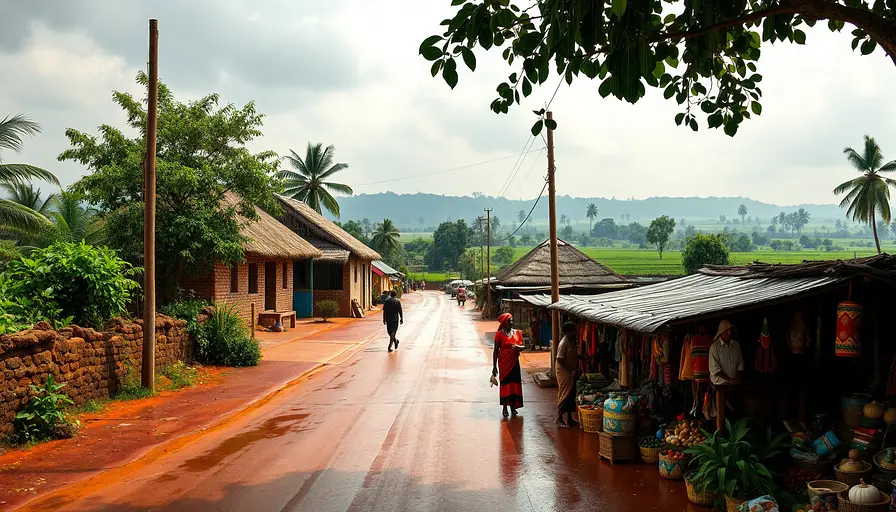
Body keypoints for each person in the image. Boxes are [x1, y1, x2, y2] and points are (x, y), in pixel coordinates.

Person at [492, 313, 525, 418]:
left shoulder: (517, 333)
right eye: (509, 320)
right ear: (504, 323)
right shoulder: (499, 335)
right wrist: (494, 366)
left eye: (512, 320)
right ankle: (505, 407)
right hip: (504, 362)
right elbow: (496, 351)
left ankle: (513, 406)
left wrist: (518, 347)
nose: (511, 322)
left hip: (514, 361)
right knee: (506, 383)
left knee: (515, 382)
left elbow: (523, 345)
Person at [555, 321, 580, 428]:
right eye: (574, 330)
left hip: (571, 371)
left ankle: (569, 418)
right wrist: (570, 369)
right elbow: (560, 360)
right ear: (568, 332)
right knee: (565, 393)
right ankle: (559, 418)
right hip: (564, 372)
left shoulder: (572, 341)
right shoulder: (563, 343)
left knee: (571, 393)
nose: (576, 332)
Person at [709, 319, 744, 386]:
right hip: (720, 383)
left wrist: (737, 377)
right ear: (721, 332)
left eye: (730, 330)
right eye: (726, 331)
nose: (729, 333)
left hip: (734, 382)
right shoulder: (714, 348)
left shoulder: (736, 345)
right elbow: (715, 369)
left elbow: (740, 362)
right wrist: (729, 379)